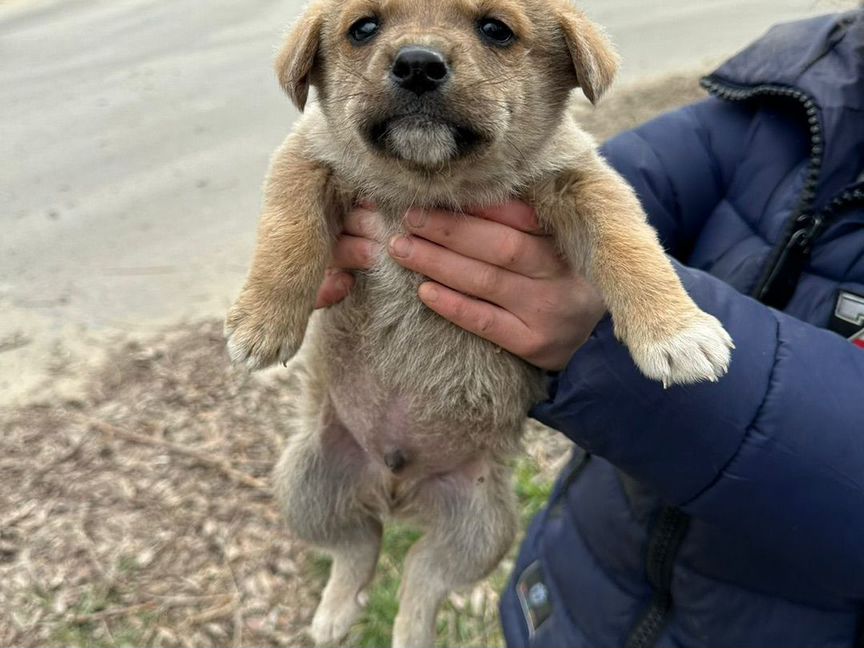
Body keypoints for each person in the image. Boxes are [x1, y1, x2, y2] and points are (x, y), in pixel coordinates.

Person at [315, 9, 864, 647]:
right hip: (589, 573)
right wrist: (499, 204)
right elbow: (626, 176)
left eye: (495, 29)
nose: (418, 54)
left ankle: (422, 593)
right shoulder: (821, 74)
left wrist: (610, 328)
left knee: (465, 541)